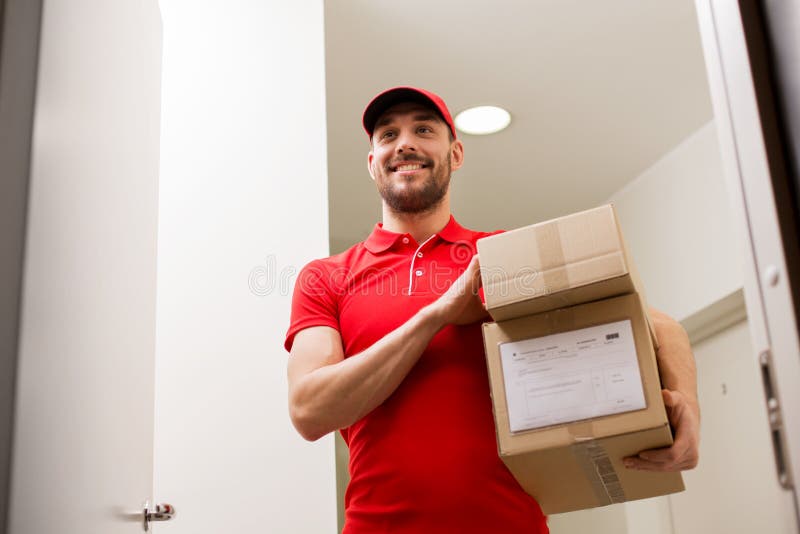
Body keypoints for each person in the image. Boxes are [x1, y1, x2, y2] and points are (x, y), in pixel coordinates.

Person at [284, 86, 700, 533]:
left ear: (456, 153)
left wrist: (688, 407)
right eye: (388, 135)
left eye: (423, 129)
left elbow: (659, 326)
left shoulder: (499, 255)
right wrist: (436, 315)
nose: (404, 143)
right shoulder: (327, 276)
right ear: (372, 163)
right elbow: (309, 410)